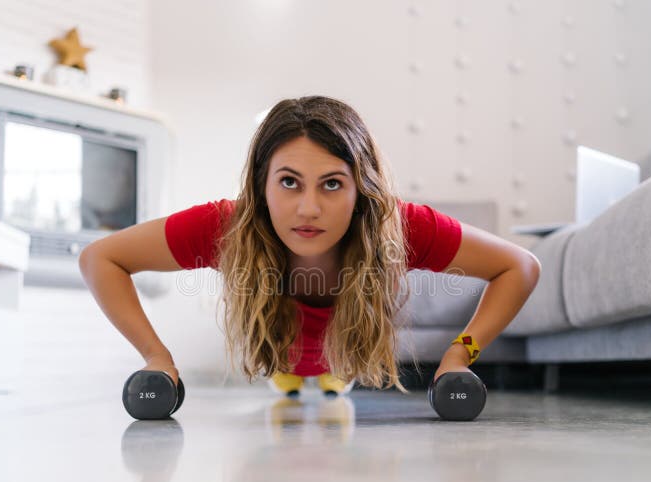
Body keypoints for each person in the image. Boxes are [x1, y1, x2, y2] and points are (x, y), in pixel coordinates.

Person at [79, 95, 541, 399]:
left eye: (332, 184)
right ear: (262, 186)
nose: (308, 208)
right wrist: (156, 357)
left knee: (334, 384)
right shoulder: (227, 224)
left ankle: (330, 378)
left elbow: (519, 267)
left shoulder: (397, 226)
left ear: (362, 189)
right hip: (276, 363)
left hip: (345, 363)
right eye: (289, 182)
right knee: (288, 383)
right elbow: (101, 257)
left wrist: (461, 353)